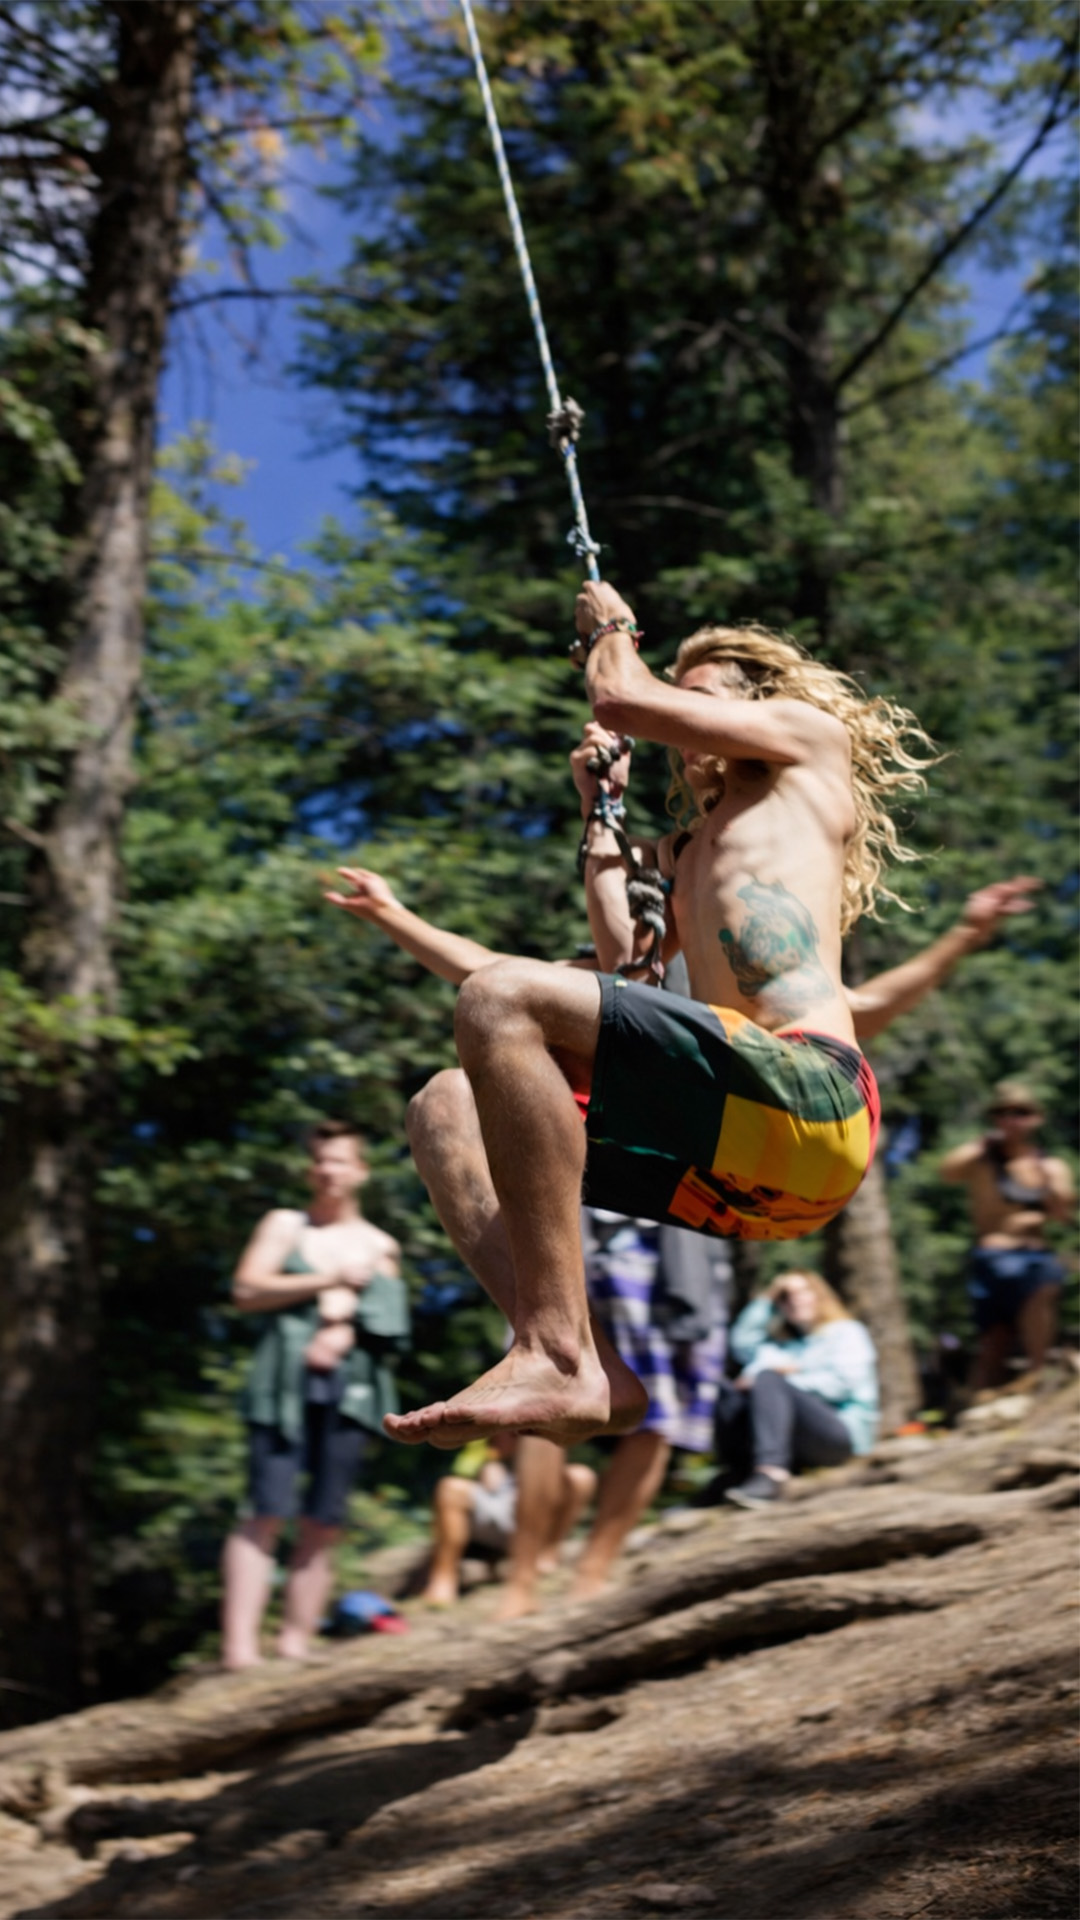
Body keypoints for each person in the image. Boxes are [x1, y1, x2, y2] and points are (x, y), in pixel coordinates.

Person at [368, 577, 943, 1448]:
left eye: (700, 696)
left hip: (812, 1097)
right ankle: (587, 1362)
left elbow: (621, 693)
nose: (682, 719)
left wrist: (614, 630)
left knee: (499, 994)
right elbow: (622, 962)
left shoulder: (806, 747)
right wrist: (599, 809)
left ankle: (556, 1353)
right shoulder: (685, 850)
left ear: (759, 704)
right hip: (738, 1170)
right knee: (444, 1107)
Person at [220, 1122, 407, 1669]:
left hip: (352, 1389)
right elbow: (247, 1288)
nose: (329, 1170)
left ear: (361, 1171)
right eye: (321, 1161)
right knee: (265, 1509)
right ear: (310, 1170)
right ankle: (239, 1651)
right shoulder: (286, 1225)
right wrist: (330, 1283)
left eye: (340, 1161)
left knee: (325, 1517)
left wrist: (343, 1330)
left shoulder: (380, 1244)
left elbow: (391, 1325)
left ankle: (296, 1642)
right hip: (281, 1381)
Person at [940, 1081, 1074, 1390]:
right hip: (990, 1256)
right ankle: (984, 1396)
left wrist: (1047, 1192)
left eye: (1021, 1113)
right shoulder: (981, 1161)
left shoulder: (1050, 1165)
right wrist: (986, 1142)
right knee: (994, 1337)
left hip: (1033, 1256)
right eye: (1003, 1113)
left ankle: (1038, 1372)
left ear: (1036, 1118)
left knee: (1043, 1291)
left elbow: (1063, 1213)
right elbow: (947, 1172)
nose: (1012, 1120)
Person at [713, 1269, 879, 1508]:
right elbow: (742, 1342)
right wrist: (767, 1298)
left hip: (839, 1435)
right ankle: (738, 1473)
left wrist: (789, 1379)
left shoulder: (847, 1332)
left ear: (821, 1295)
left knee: (767, 1378)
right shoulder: (780, 1348)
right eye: (785, 1296)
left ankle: (772, 1474)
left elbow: (843, 1385)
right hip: (796, 1441)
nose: (794, 1300)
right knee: (728, 1391)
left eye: (803, 1292)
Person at [419, 1433, 596, 1607]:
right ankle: (444, 1577)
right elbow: (463, 1466)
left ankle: (547, 1553)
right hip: (497, 1505)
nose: (515, 1437)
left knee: (581, 1476)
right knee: (450, 1487)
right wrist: (488, 1462)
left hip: (539, 1509)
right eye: (512, 1434)